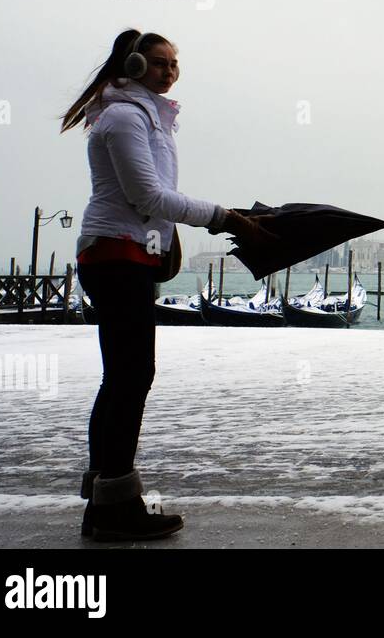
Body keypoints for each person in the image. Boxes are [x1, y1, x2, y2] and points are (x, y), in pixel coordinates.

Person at [61, 29, 273, 542]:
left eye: (174, 63)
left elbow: (153, 200)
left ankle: (104, 501)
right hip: (116, 255)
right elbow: (147, 194)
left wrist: (165, 241)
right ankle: (115, 507)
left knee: (121, 377)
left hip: (125, 253)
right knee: (132, 377)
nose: (169, 71)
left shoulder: (145, 115)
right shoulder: (125, 116)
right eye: (158, 63)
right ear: (132, 65)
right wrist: (224, 218)